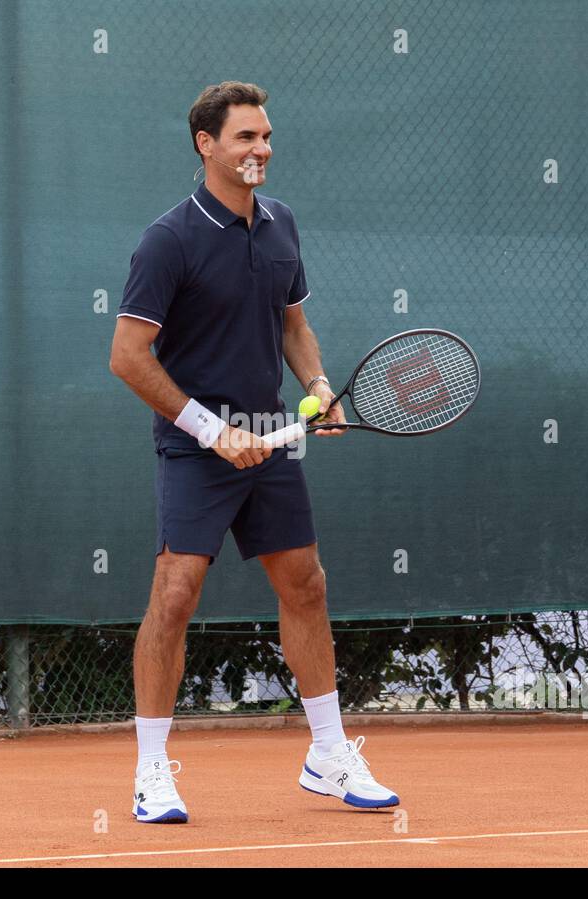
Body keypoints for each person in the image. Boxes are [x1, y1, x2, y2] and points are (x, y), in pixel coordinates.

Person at [109, 81, 400, 824]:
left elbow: (293, 326)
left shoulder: (281, 227)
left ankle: (329, 754)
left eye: (266, 136)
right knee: (174, 596)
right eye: (245, 137)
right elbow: (129, 356)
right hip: (195, 444)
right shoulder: (168, 240)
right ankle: (151, 772)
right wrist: (212, 430)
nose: (261, 149)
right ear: (207, 145)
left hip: (269, 434)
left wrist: (320, 386)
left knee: (306, 583)